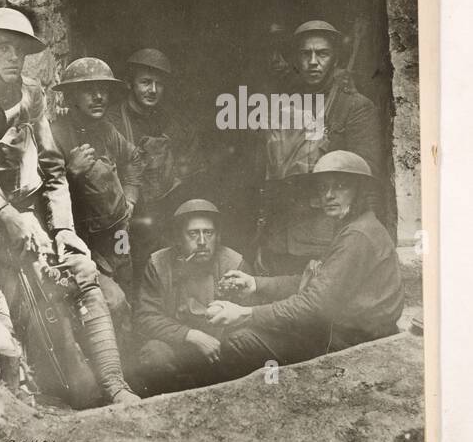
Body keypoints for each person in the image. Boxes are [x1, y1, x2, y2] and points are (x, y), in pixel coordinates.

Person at [0, 8, 139, 406]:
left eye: (20, 50)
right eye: (3, 47)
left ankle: (116, 385)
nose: (13, 57)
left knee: (80, 269)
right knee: (35, 324)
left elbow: (53, 169)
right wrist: (6, 216)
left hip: (28, 216)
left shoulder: (32, 95)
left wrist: (63, 231)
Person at [206, 152, 403, 376]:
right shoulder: (354, 226)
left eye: (340, 186)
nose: (329, 195)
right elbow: (317, 283)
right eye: (323, 188)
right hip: (342, 332)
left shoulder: (358, 235)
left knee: (238, 340)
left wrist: (245, 313)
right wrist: (255, 284)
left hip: (352, 344)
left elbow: (313, 306)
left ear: (360, 191)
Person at [256, 20, 385, 275]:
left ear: (335, 58)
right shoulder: (284, 106)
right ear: (296, 59)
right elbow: (268, 177)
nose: (313, 61)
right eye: (305, 54)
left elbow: (367, 177)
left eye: (322, 53)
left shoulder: (355, 106)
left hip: (325, 239)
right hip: (279, 237)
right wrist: (262, 237)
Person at [48, 57, 144, 303]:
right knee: (111, 303)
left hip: (119, 235)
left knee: (128, 288)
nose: (99, 96)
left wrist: (130, 200)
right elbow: (45, 194)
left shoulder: (106, 130)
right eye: (89, 90)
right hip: (85, 243)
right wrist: (71, 172)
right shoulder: (54, 135)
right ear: (70, 98)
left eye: (103, 90)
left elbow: (132, 157)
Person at [133, 200, 251, 395]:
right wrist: (191, 335)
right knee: (154, 355)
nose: (202, 241)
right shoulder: (159, 264)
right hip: (176, 348)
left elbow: (250, 318)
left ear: (217, 236)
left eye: (209, 233)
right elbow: (145, 317)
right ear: (179, 238)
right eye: (193, 234)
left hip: (220, 350)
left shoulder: (234, 264)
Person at [108, 48, 199, 292]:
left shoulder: (172, 121)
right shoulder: (112, 120)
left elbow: (187, 166)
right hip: (123, 217)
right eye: (145, 82)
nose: (153, 90)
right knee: (125, 275)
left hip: (160, 216)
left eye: (159, 84)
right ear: (130, 83)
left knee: (161, 277)